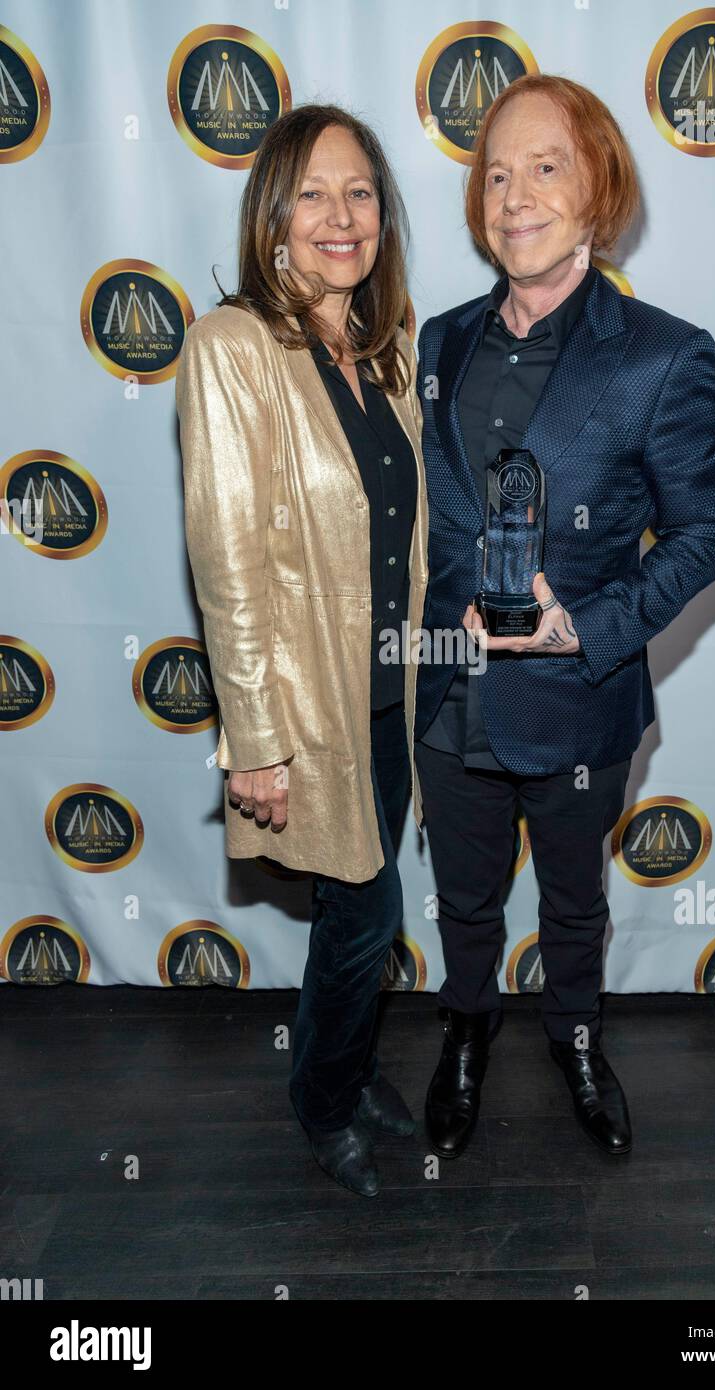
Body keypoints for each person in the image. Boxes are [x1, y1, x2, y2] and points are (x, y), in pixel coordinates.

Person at [414, 74, 715, 1160]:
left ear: (596, 192)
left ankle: (577, 1036)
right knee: (462, 897)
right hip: (447, 695)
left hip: (576, 701)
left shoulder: (660, 353)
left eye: (544, 167)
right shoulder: (437, 345)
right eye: (495, 172)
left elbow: (706, 534)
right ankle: (464, 1029)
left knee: (572, 902)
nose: (514, 195)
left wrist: (585, 626)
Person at [176, 104, 428, 1198]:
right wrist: (255, 741)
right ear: (273, 219)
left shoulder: (383, 348)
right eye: (315, 193)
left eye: (360, 192)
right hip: (303, 706)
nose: (342, 215)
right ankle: (322, 1098)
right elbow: (227, 562)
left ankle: (347, 1062)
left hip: (390, 693)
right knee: (365, 910)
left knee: (351, 910)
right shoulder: (232, 346)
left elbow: (403, 533)